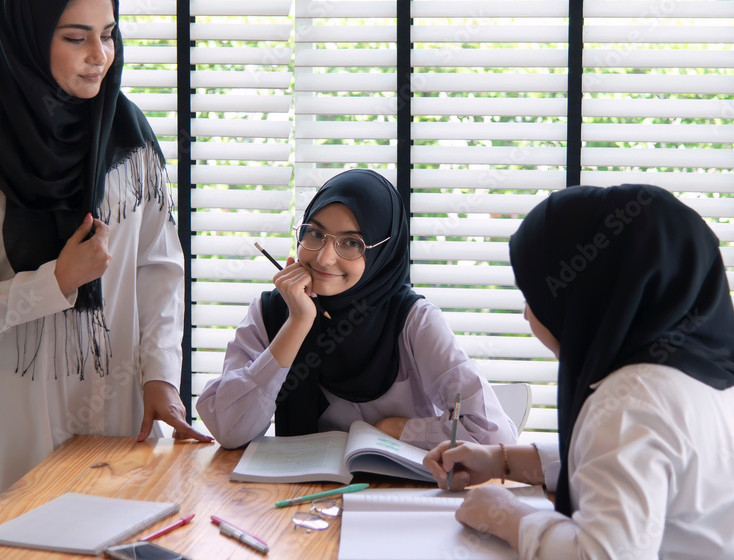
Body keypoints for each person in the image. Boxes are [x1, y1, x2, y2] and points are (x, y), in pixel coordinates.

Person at [0, 0, 211, 553]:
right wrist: (55, 280)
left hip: (116, 406)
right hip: (11, 413)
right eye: (76, 37)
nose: (99, 56)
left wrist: (161, 378)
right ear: (24, 39)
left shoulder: (132, 144)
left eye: (107, 34)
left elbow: (162, 269)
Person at [423, 184, 734, 559]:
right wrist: (501, 460)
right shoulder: (714, 367)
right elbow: (639, 464)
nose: (528, 312)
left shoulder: (630, 400)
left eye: (533, 295)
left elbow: (600, 554)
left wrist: (505, 515)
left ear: (586, 296)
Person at [196, 168, 517, 449]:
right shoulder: (271, 313)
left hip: (394, 497)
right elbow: (230, 431)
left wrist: (402, 430)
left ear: (383, 253)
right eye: (315, 233)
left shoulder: (413, 321)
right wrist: (296, 324)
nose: (323, 257)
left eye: (352, 242)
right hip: (296, 496)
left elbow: (494, 437)